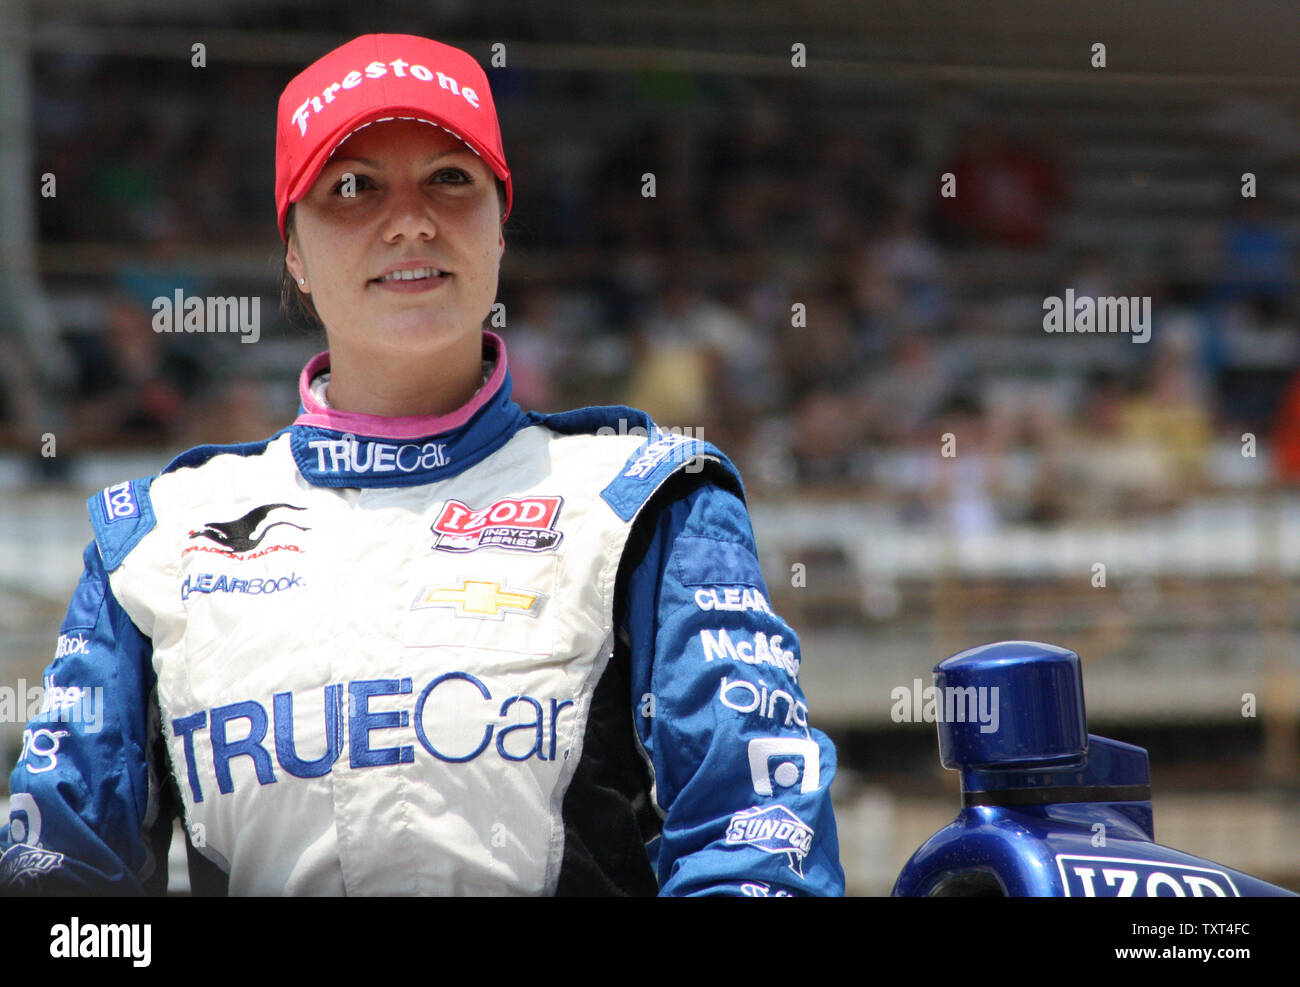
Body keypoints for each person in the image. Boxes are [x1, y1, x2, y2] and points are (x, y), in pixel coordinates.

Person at [0, 34, 843, 896]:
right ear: (292, 249)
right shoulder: (158, 536)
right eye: (353, 187)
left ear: (499, 225)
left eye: (450, 178)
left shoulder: (645, 502)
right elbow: (61, 881)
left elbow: (753, 844)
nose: (411, 219)